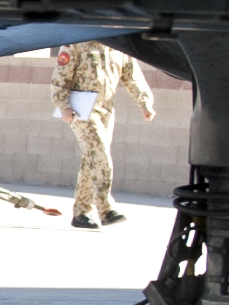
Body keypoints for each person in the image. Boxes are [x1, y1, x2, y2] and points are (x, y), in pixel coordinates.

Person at [54, 36, 155, 229]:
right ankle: (106, 209)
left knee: (91, 159)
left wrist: (145, 103)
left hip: (106, 108)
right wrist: (63, 105)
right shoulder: (77, 43)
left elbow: (132, 75)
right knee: (101, 155)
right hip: (81, 107)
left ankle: (82, 213)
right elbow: (60, 76)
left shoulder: (119, 46)